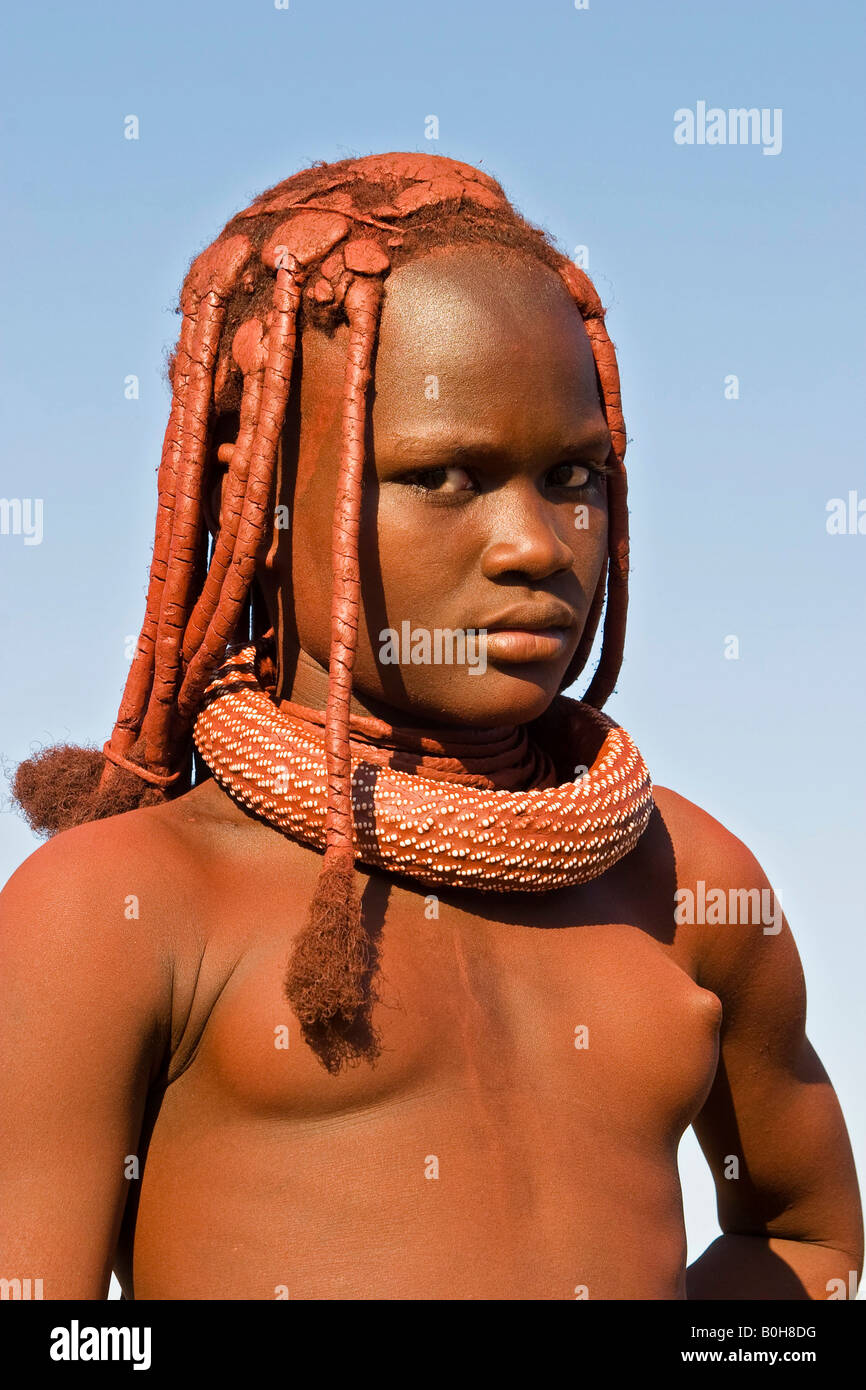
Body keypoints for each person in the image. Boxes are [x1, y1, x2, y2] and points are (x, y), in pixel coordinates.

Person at [1, 152, 861, 1301]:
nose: (535, 545)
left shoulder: (688, 882)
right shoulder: (120, 909)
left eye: (573, 474)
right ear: (256, 494)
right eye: (444, 476)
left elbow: (809, 1247)